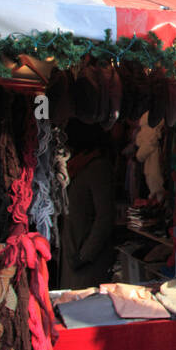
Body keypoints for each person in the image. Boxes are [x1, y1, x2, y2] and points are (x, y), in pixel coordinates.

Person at [59, 119, 116, 289]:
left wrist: (85, 255)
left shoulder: (98, 168)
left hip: (85, 261)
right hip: (73, 254)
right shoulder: (78, 166)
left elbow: (105, 217)